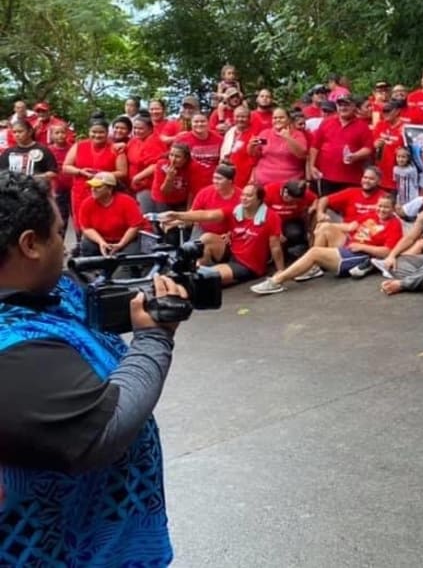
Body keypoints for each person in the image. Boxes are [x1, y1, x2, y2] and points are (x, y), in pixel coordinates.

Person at [0, 171, 179, 564]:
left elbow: (88, 310)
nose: (64, 248)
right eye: (58, 233)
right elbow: (101, 431)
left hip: (105, 536)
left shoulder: (43, 288)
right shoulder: (9, 353)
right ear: (30, 244)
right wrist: (155, 339)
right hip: (49, 550)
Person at [251, 193, 404, 293]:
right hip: (349, 244)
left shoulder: (394, 224)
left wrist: (363, 246)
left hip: (360, 254)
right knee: (324, 227)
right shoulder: (371, 214)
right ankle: (314, 267)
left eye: (386, 207)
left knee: (314, 252)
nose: (382, 209)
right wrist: (325, 224)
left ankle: (277, 281)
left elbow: (387, 251)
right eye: (380, 206)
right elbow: (350, 227)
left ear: (393, 209)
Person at [161, 183, 284, 285]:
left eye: (249, 196)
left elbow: (275, 247)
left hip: (247, 265)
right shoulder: (236, 211)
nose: (244, 198)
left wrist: (281, 271)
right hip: (231, 251)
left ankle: (189, 279)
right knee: (206, 238)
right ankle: (193, 268)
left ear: (259, 199)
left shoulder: (271, 217)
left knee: (208, 277)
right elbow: (207, 215)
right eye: (243, 195)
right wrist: (177, 215)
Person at [77, 172, 144, 257]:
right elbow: (86, 228)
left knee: (128, 262)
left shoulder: (127, 201)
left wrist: (121, 244)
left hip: (127, 240)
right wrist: (101, 242)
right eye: (92, 186)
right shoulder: (87, 203)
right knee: (87, 243)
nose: (93, 189)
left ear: (110, 188)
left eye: (98, 187)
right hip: (102, 239)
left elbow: (135, 226)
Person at [250, 107, 309, 187]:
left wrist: (288, 137)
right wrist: (251, 146)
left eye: (281, 118)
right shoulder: (265, 134)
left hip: (288, 183)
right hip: (263, 181)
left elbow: (302, 154)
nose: (277, 120)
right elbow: (255, 152)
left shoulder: (297, 135)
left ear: (288, 120)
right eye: (275, 118)